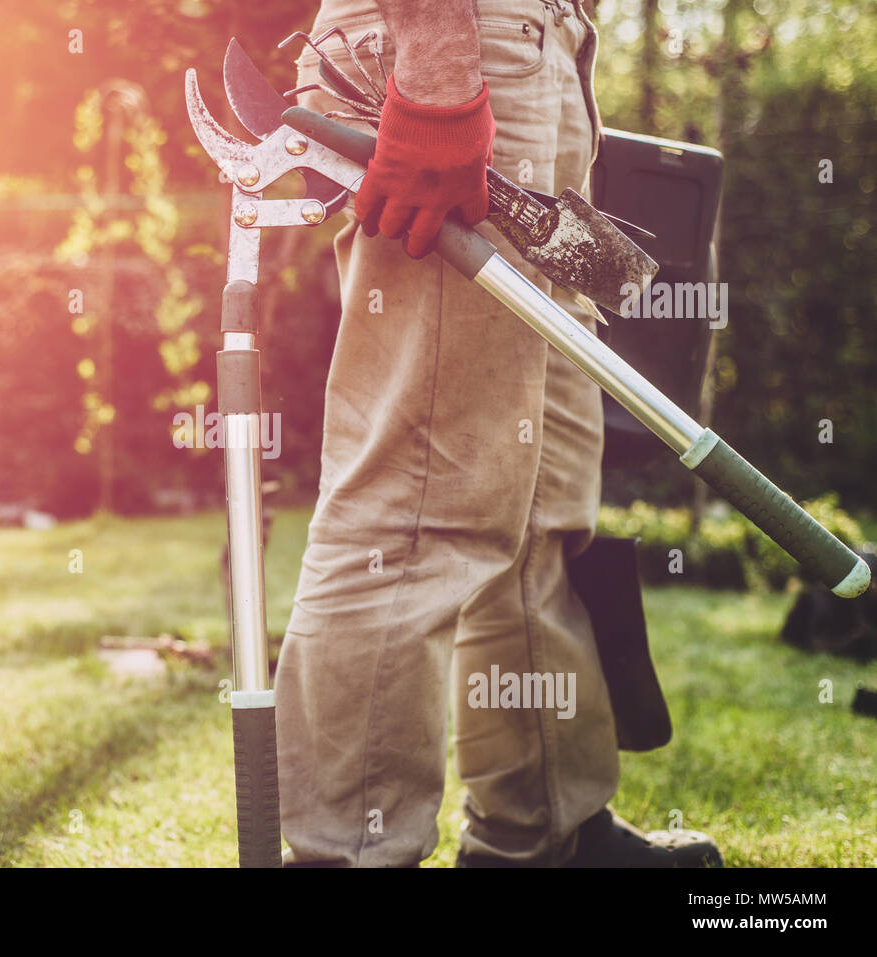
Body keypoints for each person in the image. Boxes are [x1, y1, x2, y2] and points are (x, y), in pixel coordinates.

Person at [274, 0, 723, 866]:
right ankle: (347, 853)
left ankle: (545, 829)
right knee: (413, 510)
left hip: (539, 50)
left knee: (539, 507)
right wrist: (439, 71)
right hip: (459, 38)